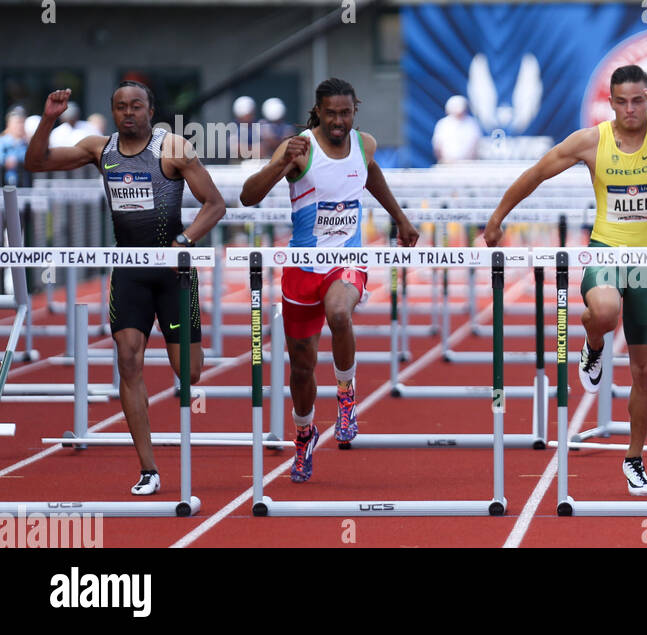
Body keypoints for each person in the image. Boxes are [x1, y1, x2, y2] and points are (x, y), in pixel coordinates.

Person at [482, 64, 647, 496]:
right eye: (622, 101)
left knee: (645, 370)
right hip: (607, 251)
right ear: (610, 102)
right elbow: (536, 173)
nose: (631, 109)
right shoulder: (591, 141)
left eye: (638, 100)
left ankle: (634, 456)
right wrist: (498, 218)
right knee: (606, 310)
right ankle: (594, 345)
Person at [24, 83, 226, 495]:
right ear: (113, 112)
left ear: (151, 110)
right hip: (130, 268)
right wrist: (49, 118)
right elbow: (36, 162)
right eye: (120, 107)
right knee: (128, 360)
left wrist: (184, 242)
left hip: (173, 271)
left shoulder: (173, 150)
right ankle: (148, 468)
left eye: (136, 106)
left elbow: (215, 204)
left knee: (189, 371)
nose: (128, 113)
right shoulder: (101, 149)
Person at [240, 78, 419, 483]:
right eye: (331, 113)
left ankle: (345, 395)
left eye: (346, 113)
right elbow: (248, 197)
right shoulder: (298, 147)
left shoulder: (364, 143)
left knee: (340, 314)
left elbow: (370, 175)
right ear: (318, 112)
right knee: (301, 368)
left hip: (346, 259)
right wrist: (279, 164)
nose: (339, 121)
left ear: (355, 110)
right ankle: (304, 435)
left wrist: (400, 218)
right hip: (303, 266)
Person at [432, 95, 481, 163]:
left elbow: (475, 144)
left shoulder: (472, 124)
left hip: (467, 163)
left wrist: (468, 160)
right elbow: (438, 145)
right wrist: (444, 161)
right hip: (447, 163)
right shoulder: (443, 124)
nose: (458, 113)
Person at [0, 110, 27, 186]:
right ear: (9, 124)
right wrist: (5, 161)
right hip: (4, 186)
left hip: (25, 187)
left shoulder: (26, 142)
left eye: (22, 122)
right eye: (17, 122)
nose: (20, 126)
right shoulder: (2, 141)